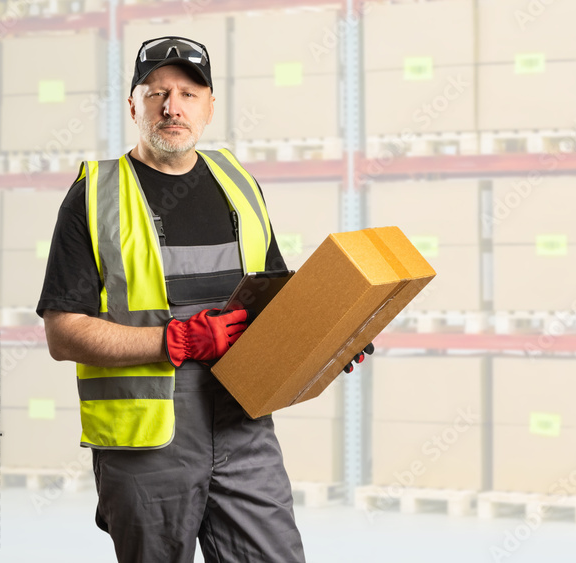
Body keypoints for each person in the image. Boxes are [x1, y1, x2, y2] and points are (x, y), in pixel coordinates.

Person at [37, 36, 367, 562]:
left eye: (189, 93)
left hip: (244, 424)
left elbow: (276, 302)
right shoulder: (95, 194)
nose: (173, 107)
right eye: (157, 93)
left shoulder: (237, 182)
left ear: (210, 106)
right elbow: (62, 332)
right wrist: (177, 339)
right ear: (133, 105)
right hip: (149, 444)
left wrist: (329, 339)